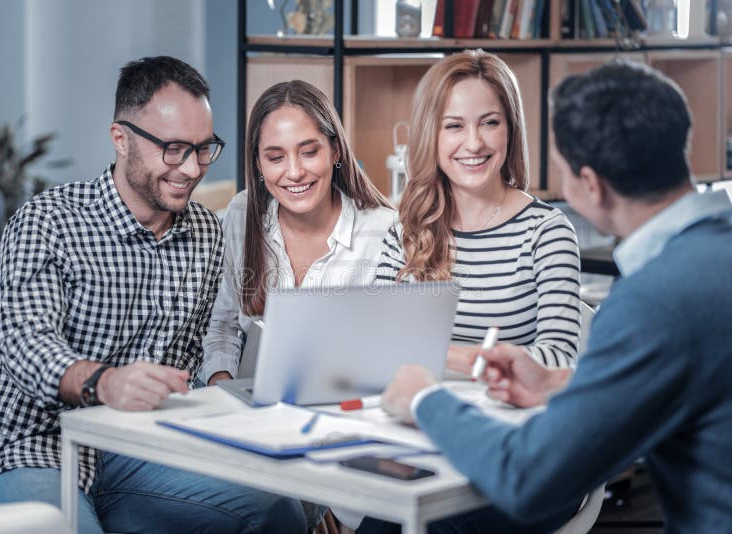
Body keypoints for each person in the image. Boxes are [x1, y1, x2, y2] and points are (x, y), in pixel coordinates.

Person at [381, 60, 732, 531]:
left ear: (591, 186)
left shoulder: (653, 301)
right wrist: (557, 383)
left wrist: (426, 399)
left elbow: (530, 477)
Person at [0, 56, 306, 534]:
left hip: (142, 451)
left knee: (278, 510)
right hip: (32, 447)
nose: (192, 168)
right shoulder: (48, 221)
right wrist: (104, 383)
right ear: (121, 139)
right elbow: (26, 344)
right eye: (174, 149)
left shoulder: (206, 234)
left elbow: (192, 355)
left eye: (204, 149)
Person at [375, 50, 581, 375]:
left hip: (506, 405)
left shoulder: (547, 232)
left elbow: (559, 359)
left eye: (489, 123)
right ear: (431, 135)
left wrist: (450, 357)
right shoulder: (405, 231)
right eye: (454, 126)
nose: (473, 143)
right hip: (416, 401)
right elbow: (376, 343)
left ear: (510, 129)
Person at [200, 80, 396, 387]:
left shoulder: (383, 229)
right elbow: (222, 326)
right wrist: (224, 389)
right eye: (275, 157)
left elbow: (389, 347)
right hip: (249, 404)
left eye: (308, 152)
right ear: (258, 163)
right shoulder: (241, 214)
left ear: (335, 150)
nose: (294, 173)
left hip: (344, 403)